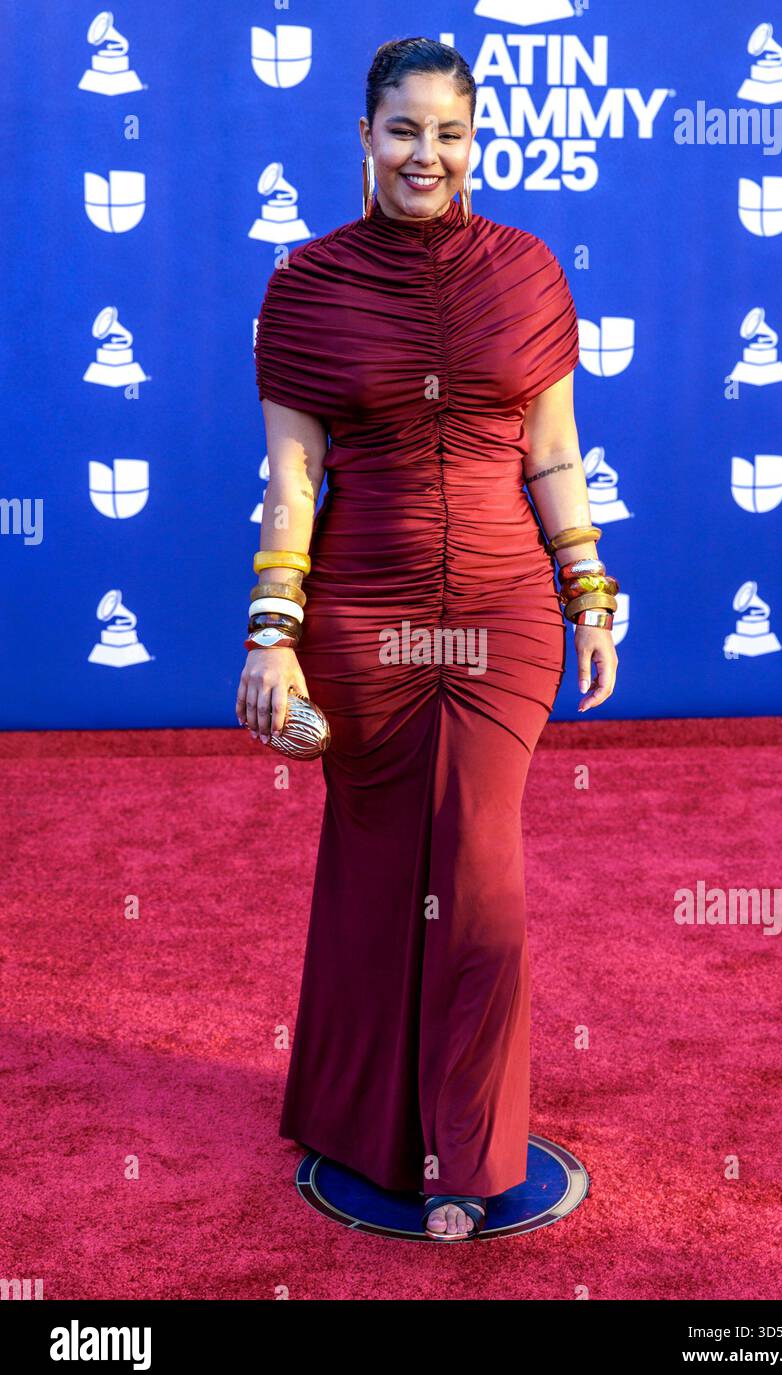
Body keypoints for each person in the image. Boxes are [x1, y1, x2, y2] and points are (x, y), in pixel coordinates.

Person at [238, 36, 618, 1242]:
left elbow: (553, 454)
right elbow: (292, 480)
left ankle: (473, 1141)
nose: (427, 155)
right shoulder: (307, 286)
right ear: (364, 135)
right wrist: (272, 632)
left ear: (475, 137)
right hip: (365, 615)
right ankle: (365, 1127)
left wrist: (590, 586)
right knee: (376, 869)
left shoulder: (529, 272)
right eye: (404, 131)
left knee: (484, 876)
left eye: (450, 132)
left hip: (504, 615)